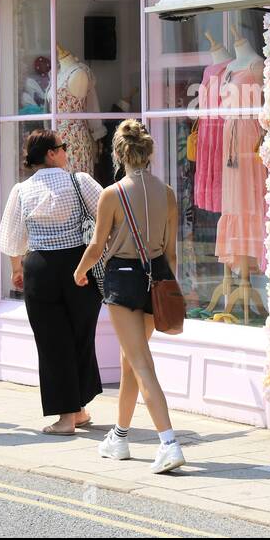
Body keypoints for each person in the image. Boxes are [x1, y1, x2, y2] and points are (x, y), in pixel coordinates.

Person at [74, 120, 185, 474]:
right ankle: (119, 438)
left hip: (123, 279)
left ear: (119, 154)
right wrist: (170, 286)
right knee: (129, 363)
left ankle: (169, 443)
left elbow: (96, 245)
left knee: (140, 364)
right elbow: (170, 252)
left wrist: (79, 272)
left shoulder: (113, 194)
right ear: (148, 151)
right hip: (156, 278)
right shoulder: (167, 193)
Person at [0, 130, 104, 434]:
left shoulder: (21, 190)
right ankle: (79, 409)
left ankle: (68, 416)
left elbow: (12, 239)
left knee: (52, 342)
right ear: (52, 154)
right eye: (63, 147)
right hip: (79, 266)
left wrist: (16, 270)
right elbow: (108, 215)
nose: (66, 152)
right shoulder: (79, 181)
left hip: (40, 266)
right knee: (81, 337)